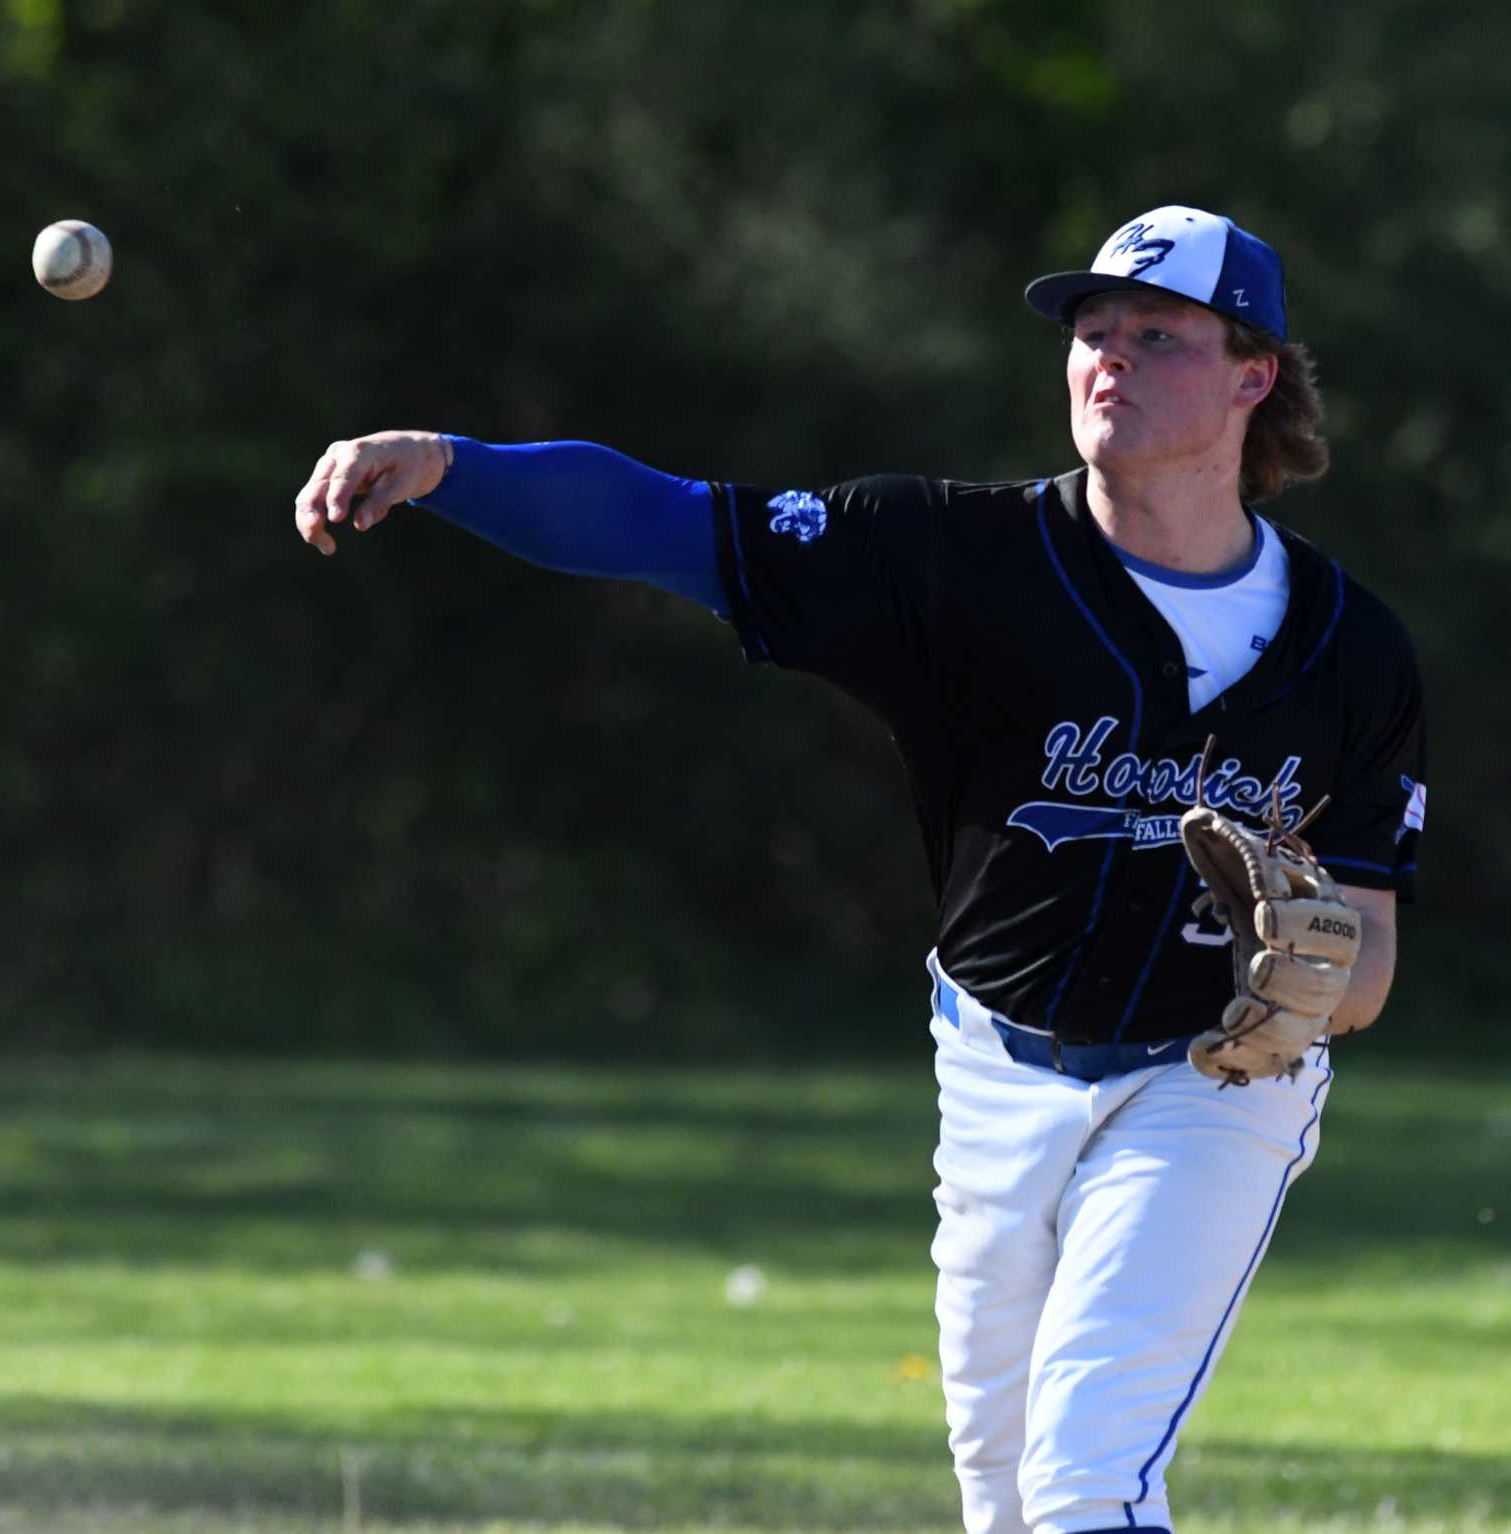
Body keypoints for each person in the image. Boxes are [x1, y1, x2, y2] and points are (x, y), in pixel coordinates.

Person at [292, 204, 1426, 1534]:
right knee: (1005, 1505)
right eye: (1092, 329)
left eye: (1157, 333)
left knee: (1087, 1481)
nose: (1107, 356)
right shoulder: (952, 557)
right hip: (998, 1067)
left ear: (1255, 375)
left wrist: (1320, 981)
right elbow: (672, 524)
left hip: (1212, 1084)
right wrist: (446, 463)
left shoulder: (1352, 648)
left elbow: (1369, 944)